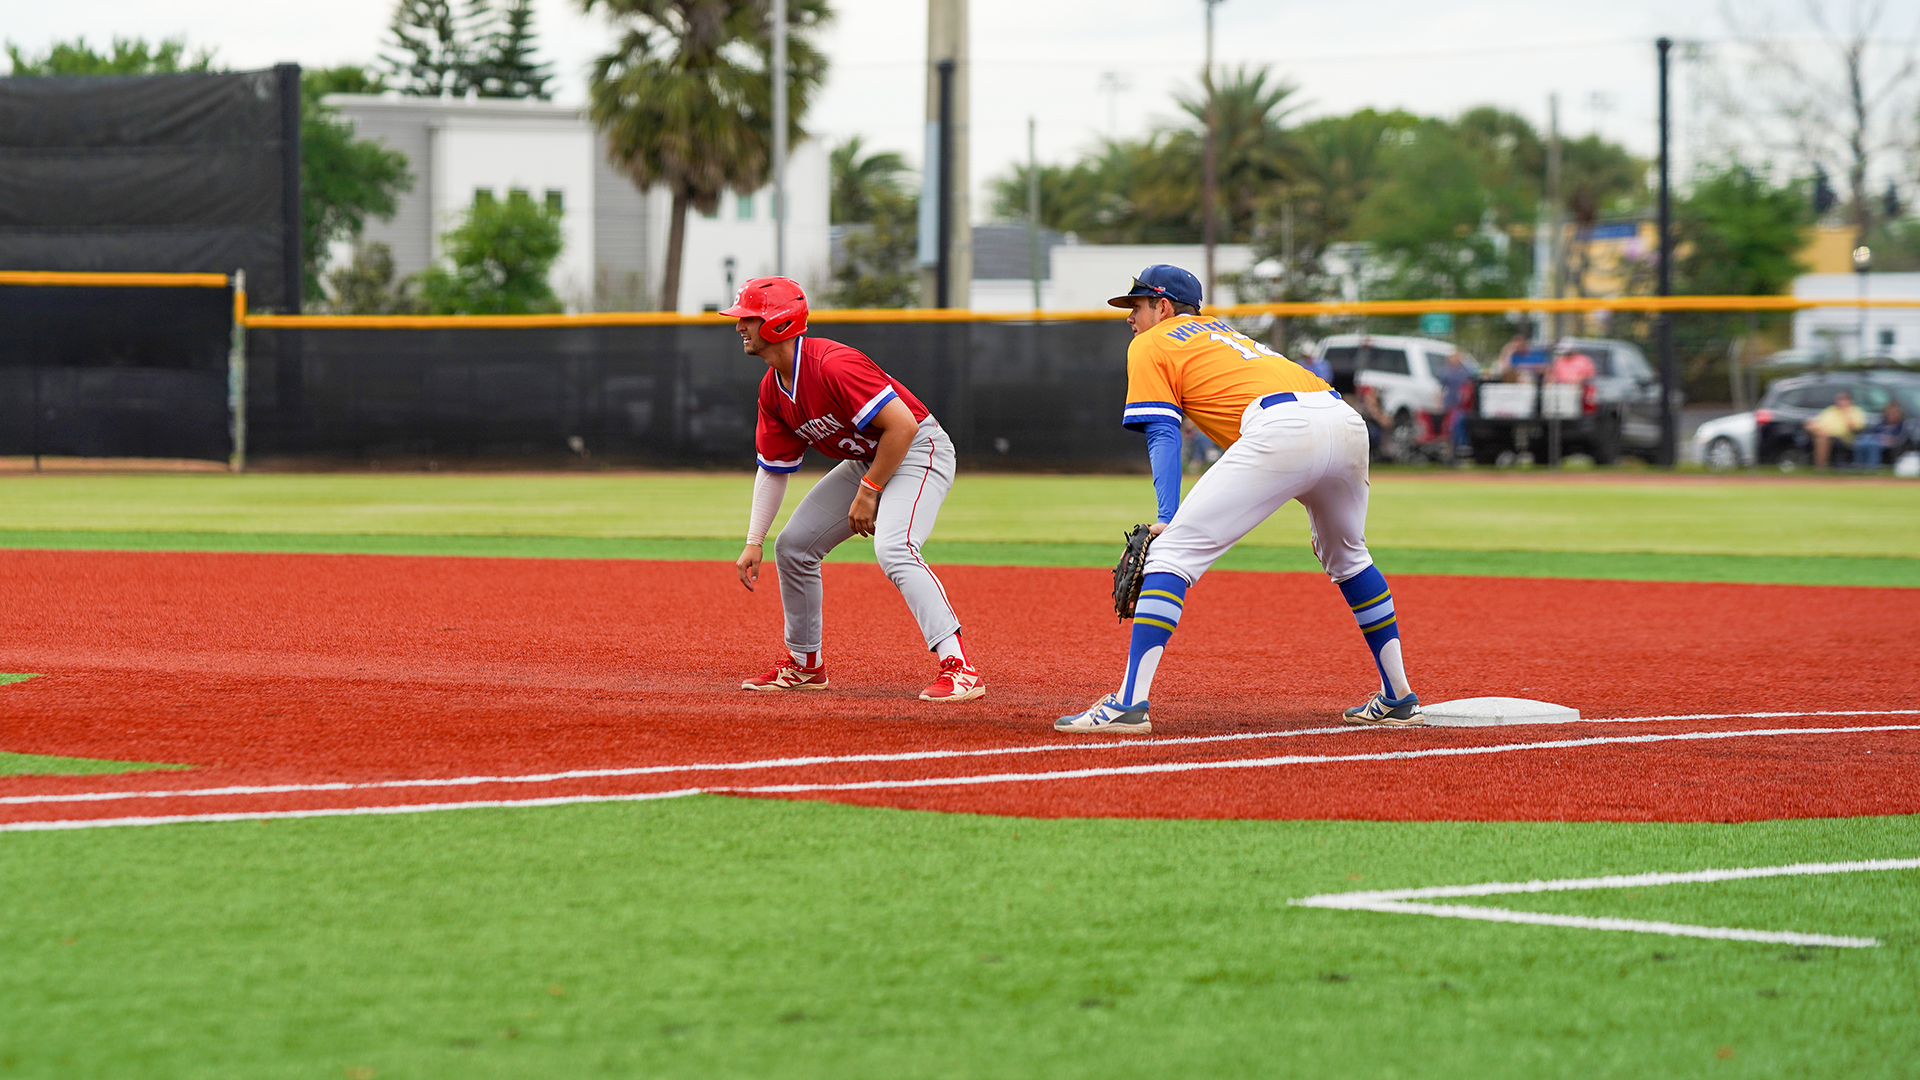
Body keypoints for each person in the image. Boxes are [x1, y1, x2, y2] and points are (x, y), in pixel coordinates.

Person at [1056, 264, 1427, 734]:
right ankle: (1397, 696)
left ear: (1163, 306)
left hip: (1282, 428)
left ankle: (1129, 705)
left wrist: (1168, 518)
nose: (1131, 317)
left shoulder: (1153, 341)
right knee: (1349, 557)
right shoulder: (1223, 333)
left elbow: (1162, 432)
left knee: (1171, 554)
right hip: (1343, 419)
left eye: (1137, 306)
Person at [727, 277, 984, 702]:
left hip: (920, 448)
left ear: (776, 322)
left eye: (747, 318)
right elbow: (773, 469)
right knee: (793, 547)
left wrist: (869, 490)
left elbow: (901, 426)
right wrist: (754, 540)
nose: (739, 327)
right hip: (871, 458)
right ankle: (805, 665)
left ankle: (959, 666)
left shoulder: (832, 364)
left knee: (895, 547)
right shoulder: (773, 388)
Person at [1803, 391, 1867, 469]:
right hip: (1825, 434)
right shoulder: (1831, 410)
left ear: (1850, 401)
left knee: (1821, 439)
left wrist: (1846, 414)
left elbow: (1856, 429)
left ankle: (1820, 466)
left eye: (1844, 400)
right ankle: (1821, 466)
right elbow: (1819, 421)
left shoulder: (1855, 411)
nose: (1841, 402)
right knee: (1814, 429)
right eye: (1839, 400)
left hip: (1844, 438)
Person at [1436, 350, 1475, 457]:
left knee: (1457, 424)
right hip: (1449, 403)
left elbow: (1470, 388)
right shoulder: (1445, 372)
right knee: (1447, 427)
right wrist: (1439, 403)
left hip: (1462, 406)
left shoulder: (1466, 373)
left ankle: (1461, 447)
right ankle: (1450, 450)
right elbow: (1440, 389)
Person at [1854, 401, 1911, 468]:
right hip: (1876, 440)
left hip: (1889, 443)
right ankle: (1859, 465)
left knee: (1872, 445)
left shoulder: (1900, 425)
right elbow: (1873, 431)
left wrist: (1888, 438)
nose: (1890, 414)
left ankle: (1872, 467)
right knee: (1861, 442)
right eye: (1889, 412)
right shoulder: (1883, 422)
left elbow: (1901, 437)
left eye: (1893, 412)